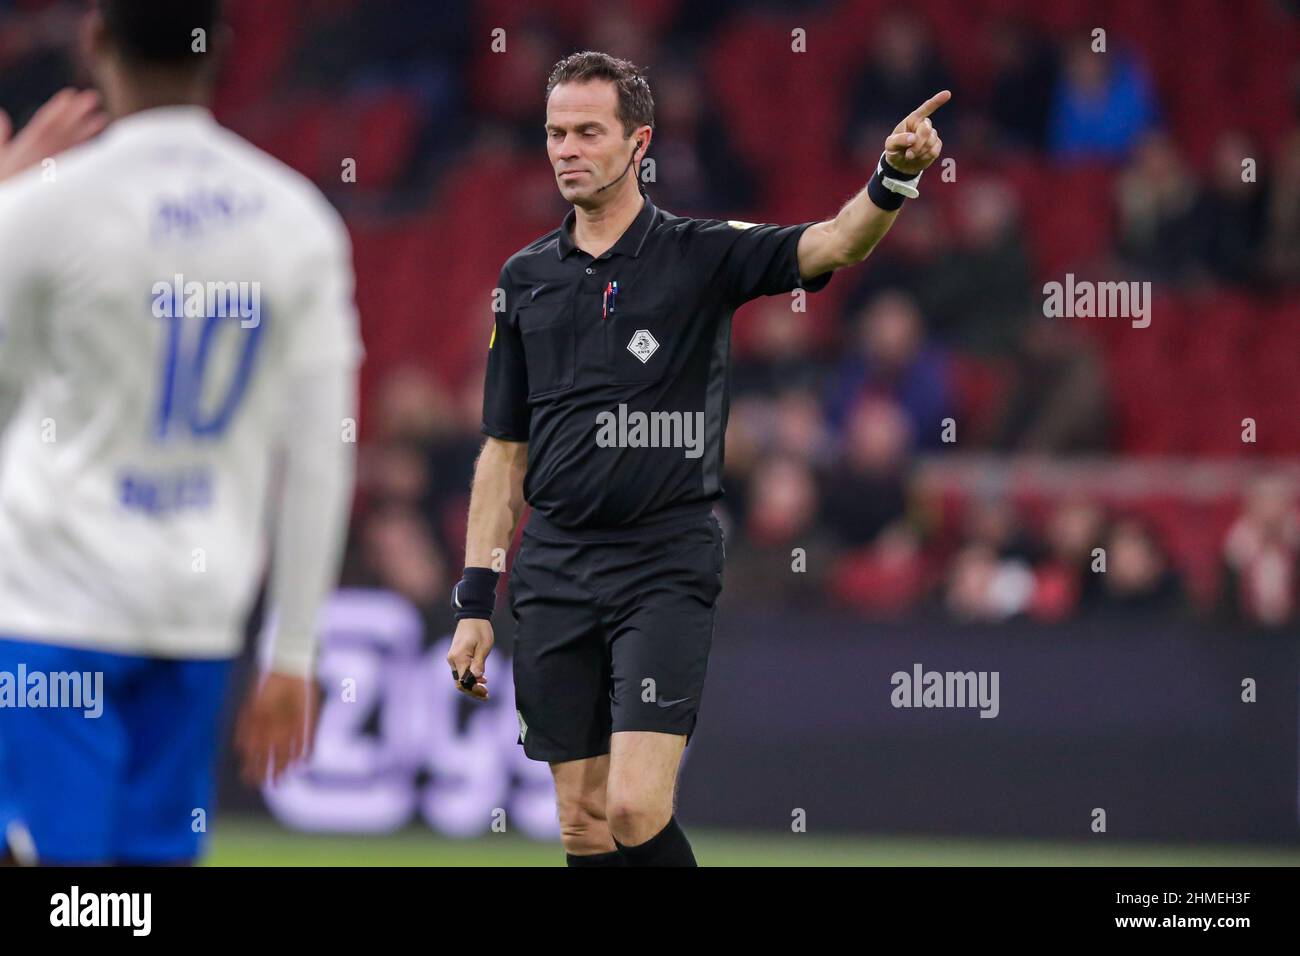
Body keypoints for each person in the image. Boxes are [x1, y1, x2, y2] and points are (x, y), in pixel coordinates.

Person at [447, 51, 947, 866]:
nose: (565, 149)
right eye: (553, 133)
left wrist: (891, 178)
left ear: (638, 142)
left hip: (661, 560)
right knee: (581, 824)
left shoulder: (700, 253)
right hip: (554, 565)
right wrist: (475, 600)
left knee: (635, 808)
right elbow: (503, 455)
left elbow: (831, 245)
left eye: (587, 132)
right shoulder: (523, 280)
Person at [0, 0, 361, 864]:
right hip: (196, 614)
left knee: (66, 877)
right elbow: (321, 450)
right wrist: (295, 646)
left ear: (95, 42)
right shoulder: (298, 218)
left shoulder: (48, 205)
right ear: (222, 54)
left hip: (51, 607)